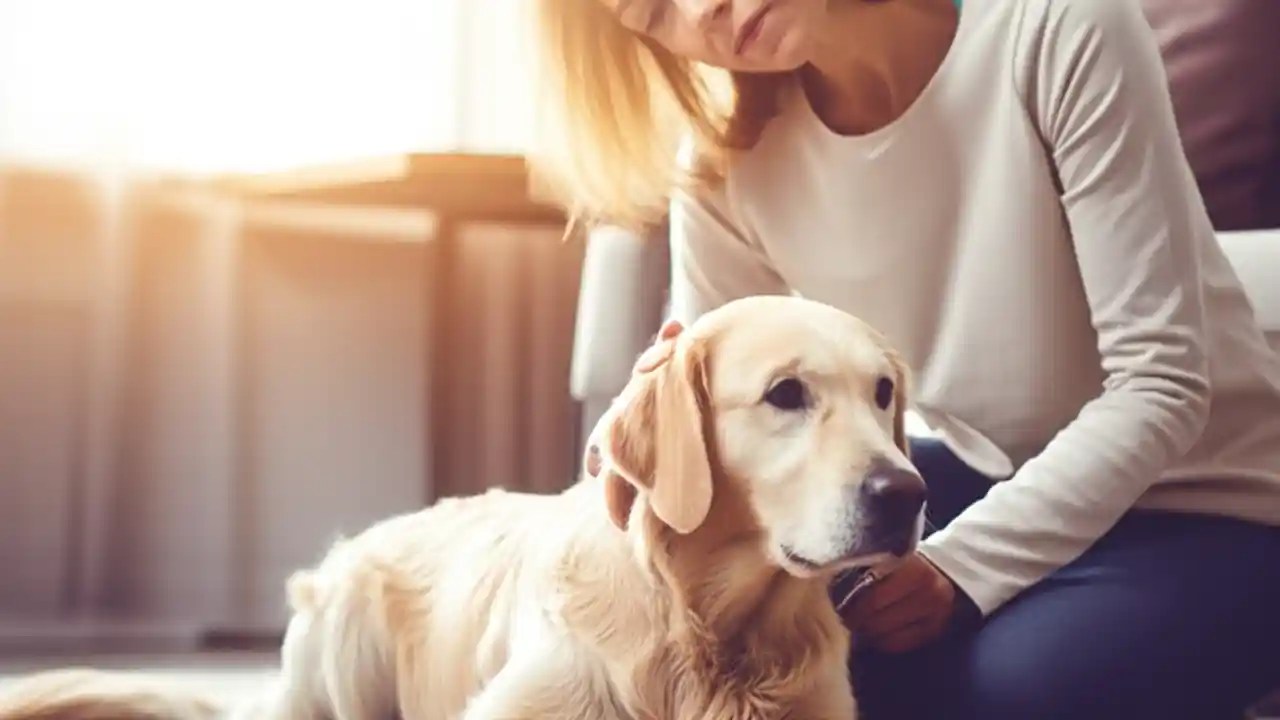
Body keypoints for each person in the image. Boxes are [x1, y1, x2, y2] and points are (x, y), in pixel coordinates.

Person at [527, 0, 1280, 717]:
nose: (701, 13)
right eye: (655, 14)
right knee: (760, 660)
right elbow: (717, 425)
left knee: (996, 695)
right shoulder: (730, 159)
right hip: (999, 473)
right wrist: (641, 446)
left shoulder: (1057, 26)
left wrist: (962, 568)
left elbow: (1164, 383)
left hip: (1220, 506)